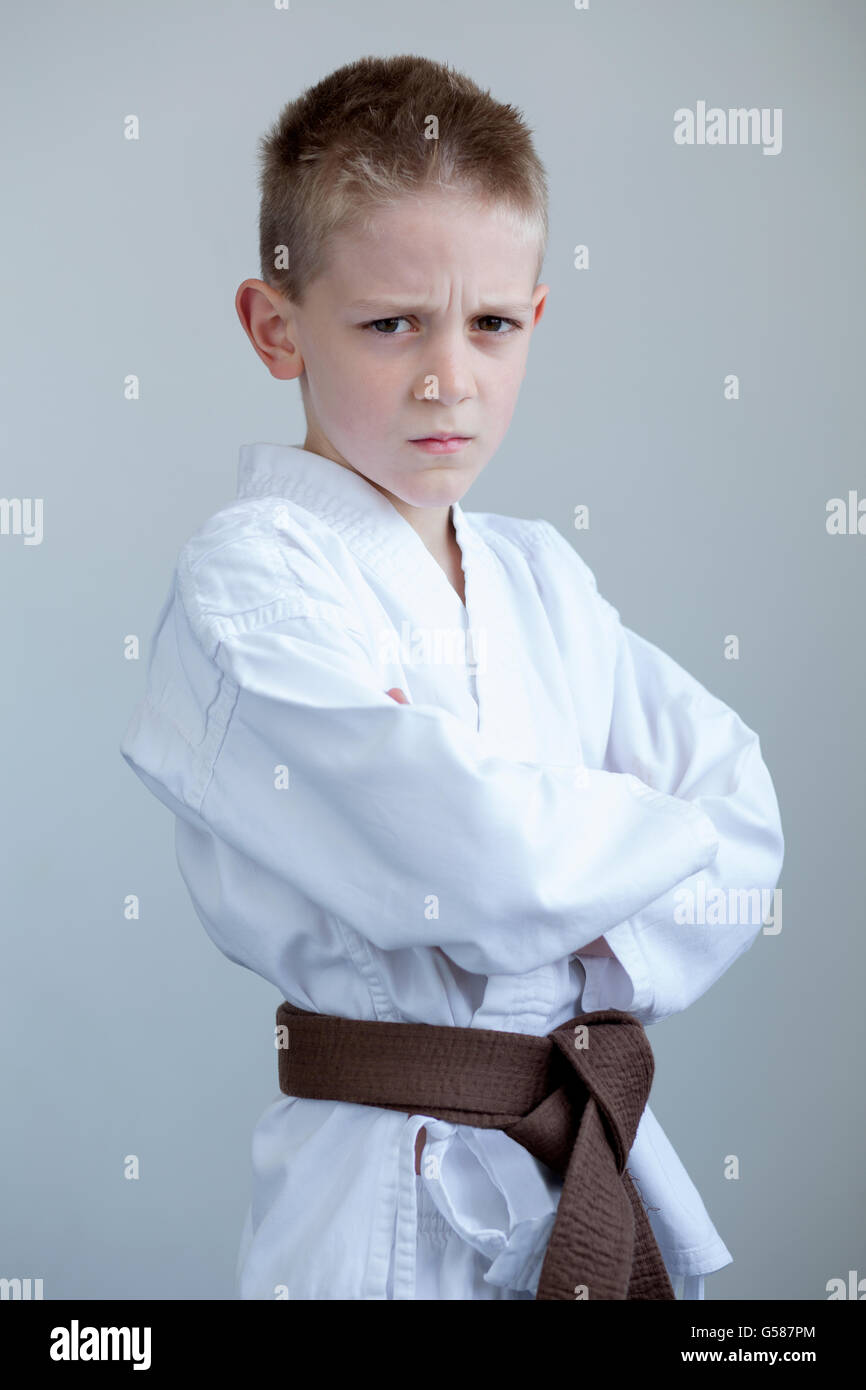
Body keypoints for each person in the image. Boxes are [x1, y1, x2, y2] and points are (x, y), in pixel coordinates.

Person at [119, 53, 784, 1300]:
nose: (448, 378)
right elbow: (475, 861)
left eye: (489, 324)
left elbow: (742, 822)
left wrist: (573, 864)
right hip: (378, 1192)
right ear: (276, 327)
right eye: (389, 324)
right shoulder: (250, 583)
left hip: (571, 1148)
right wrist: (644, 839)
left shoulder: (542, 579)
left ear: (536, 317)